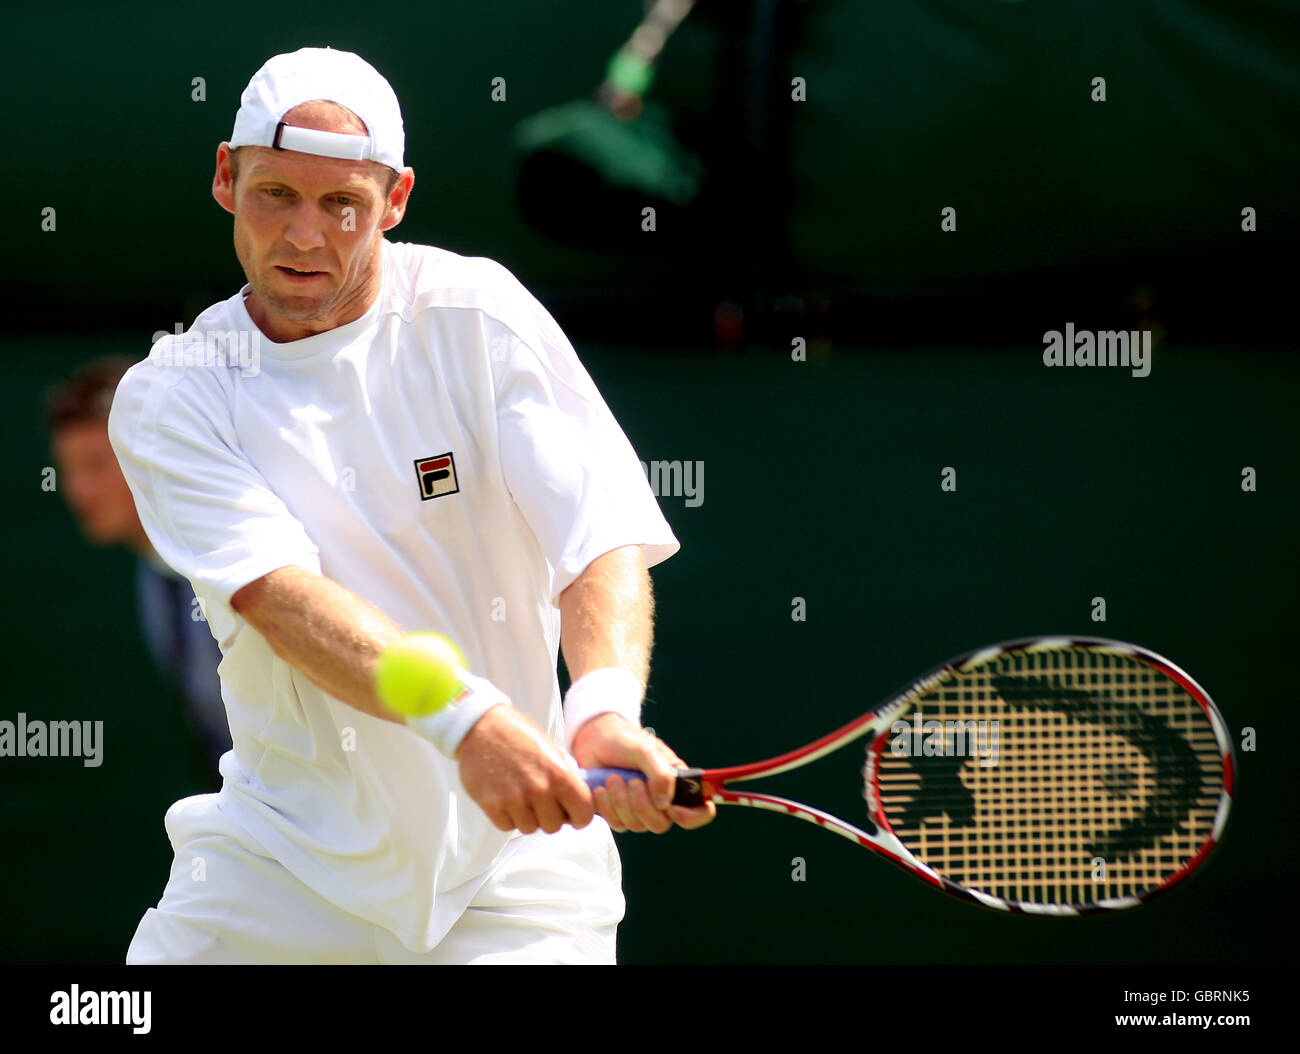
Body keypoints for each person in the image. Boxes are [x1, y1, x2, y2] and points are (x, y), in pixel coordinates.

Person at [108, 46, 713, 965]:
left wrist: (601, 709)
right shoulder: (174, 393)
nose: (306, 236)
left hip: (519, 878)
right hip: (278, 868)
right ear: (227, 179)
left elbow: (597, 534)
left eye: (342, 204)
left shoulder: (479, 315)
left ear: (394, 203)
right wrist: (469, 721)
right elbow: (284, 600)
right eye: (277, 194)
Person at [45, 357, 230, 774]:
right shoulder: (152, 569)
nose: (77, 490)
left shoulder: (231, 560)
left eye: (95, 465)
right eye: (68, 470)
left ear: (148, 455)